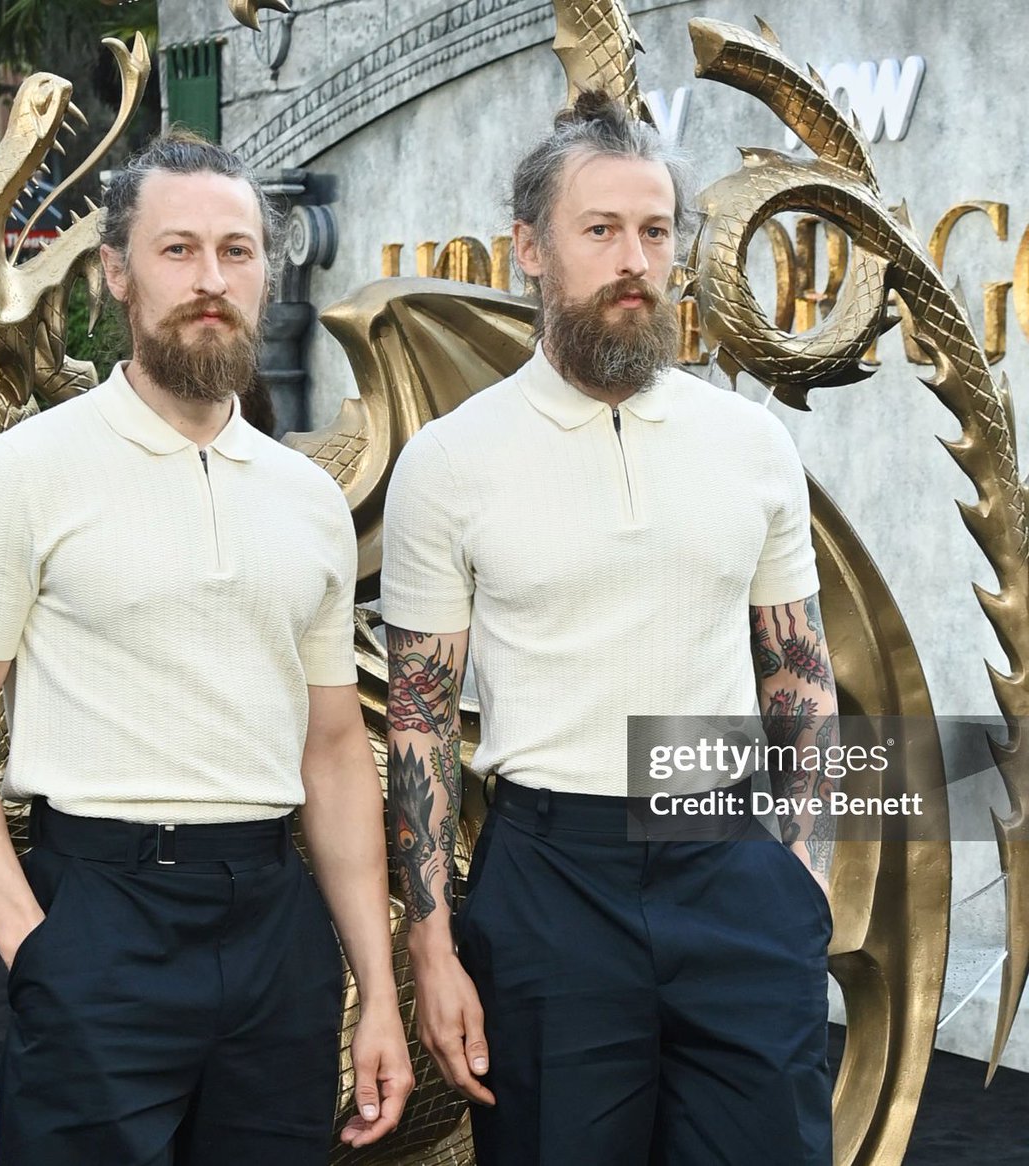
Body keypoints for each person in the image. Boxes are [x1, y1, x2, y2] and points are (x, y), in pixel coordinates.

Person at [0, 131, 413, 1166]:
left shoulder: (309, 497)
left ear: (268, 273)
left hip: (278, 929)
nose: (210, 279)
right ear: (115, 272)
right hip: (100, 914)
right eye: (177, 249)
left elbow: (331, 749)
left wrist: (377, 988)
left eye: (236, 251)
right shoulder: (22, 475)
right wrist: (30, 943)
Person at [381, 92, 838, 1165]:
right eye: (601, 231)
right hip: (552, 882)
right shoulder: (449, 461)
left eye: (655, 229)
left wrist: (803, 881)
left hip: (734, 862)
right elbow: (420, 719)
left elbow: (798, 676)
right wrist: (432, 940)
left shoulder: (752, 445)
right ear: (530, 250)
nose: (635, 258)